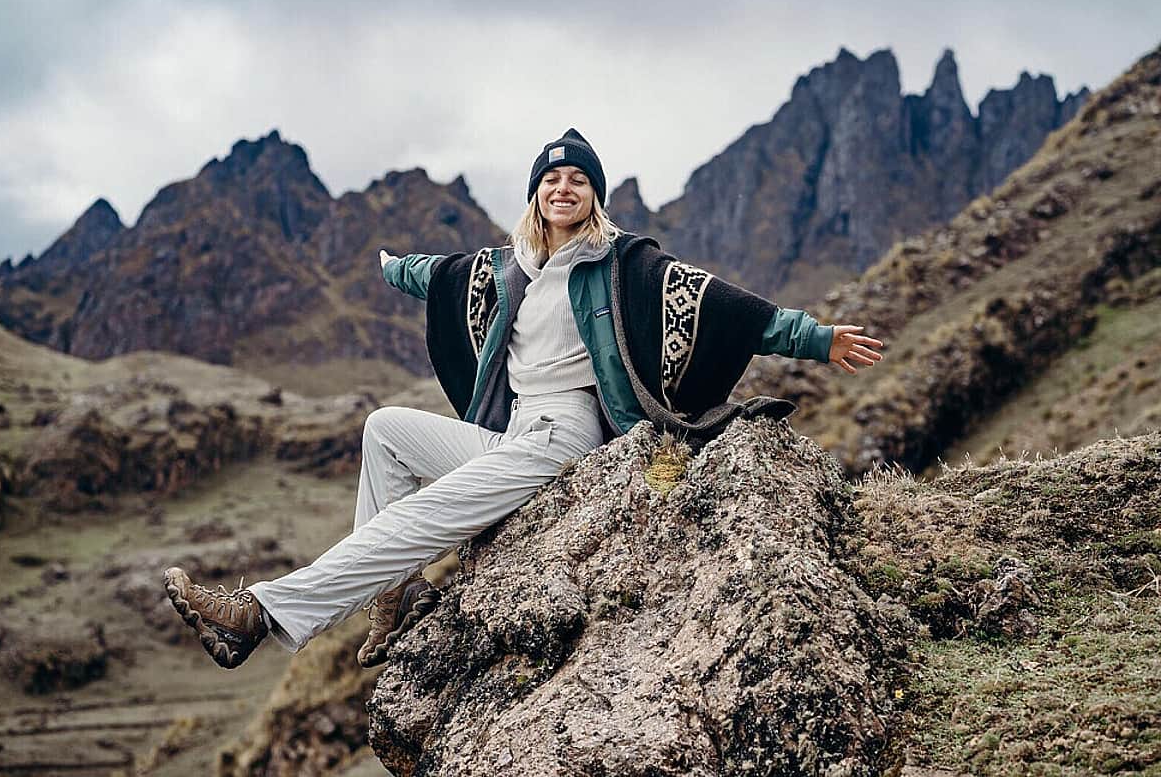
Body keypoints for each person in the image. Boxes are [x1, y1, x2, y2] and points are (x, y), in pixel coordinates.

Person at [163, 128, 884, 669]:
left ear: (594, 195)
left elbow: (728, 307)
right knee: (384, 428)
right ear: (536, 193)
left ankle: (258, 613)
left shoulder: (624, 264)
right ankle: (398, 595)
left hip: (564, 439)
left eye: (577, 178)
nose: (562, 187)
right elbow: (438, 274)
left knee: (420, 513)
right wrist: (388, 268)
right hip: (511, 436)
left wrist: (818, 339)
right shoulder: (512, 269)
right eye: (551, 179)